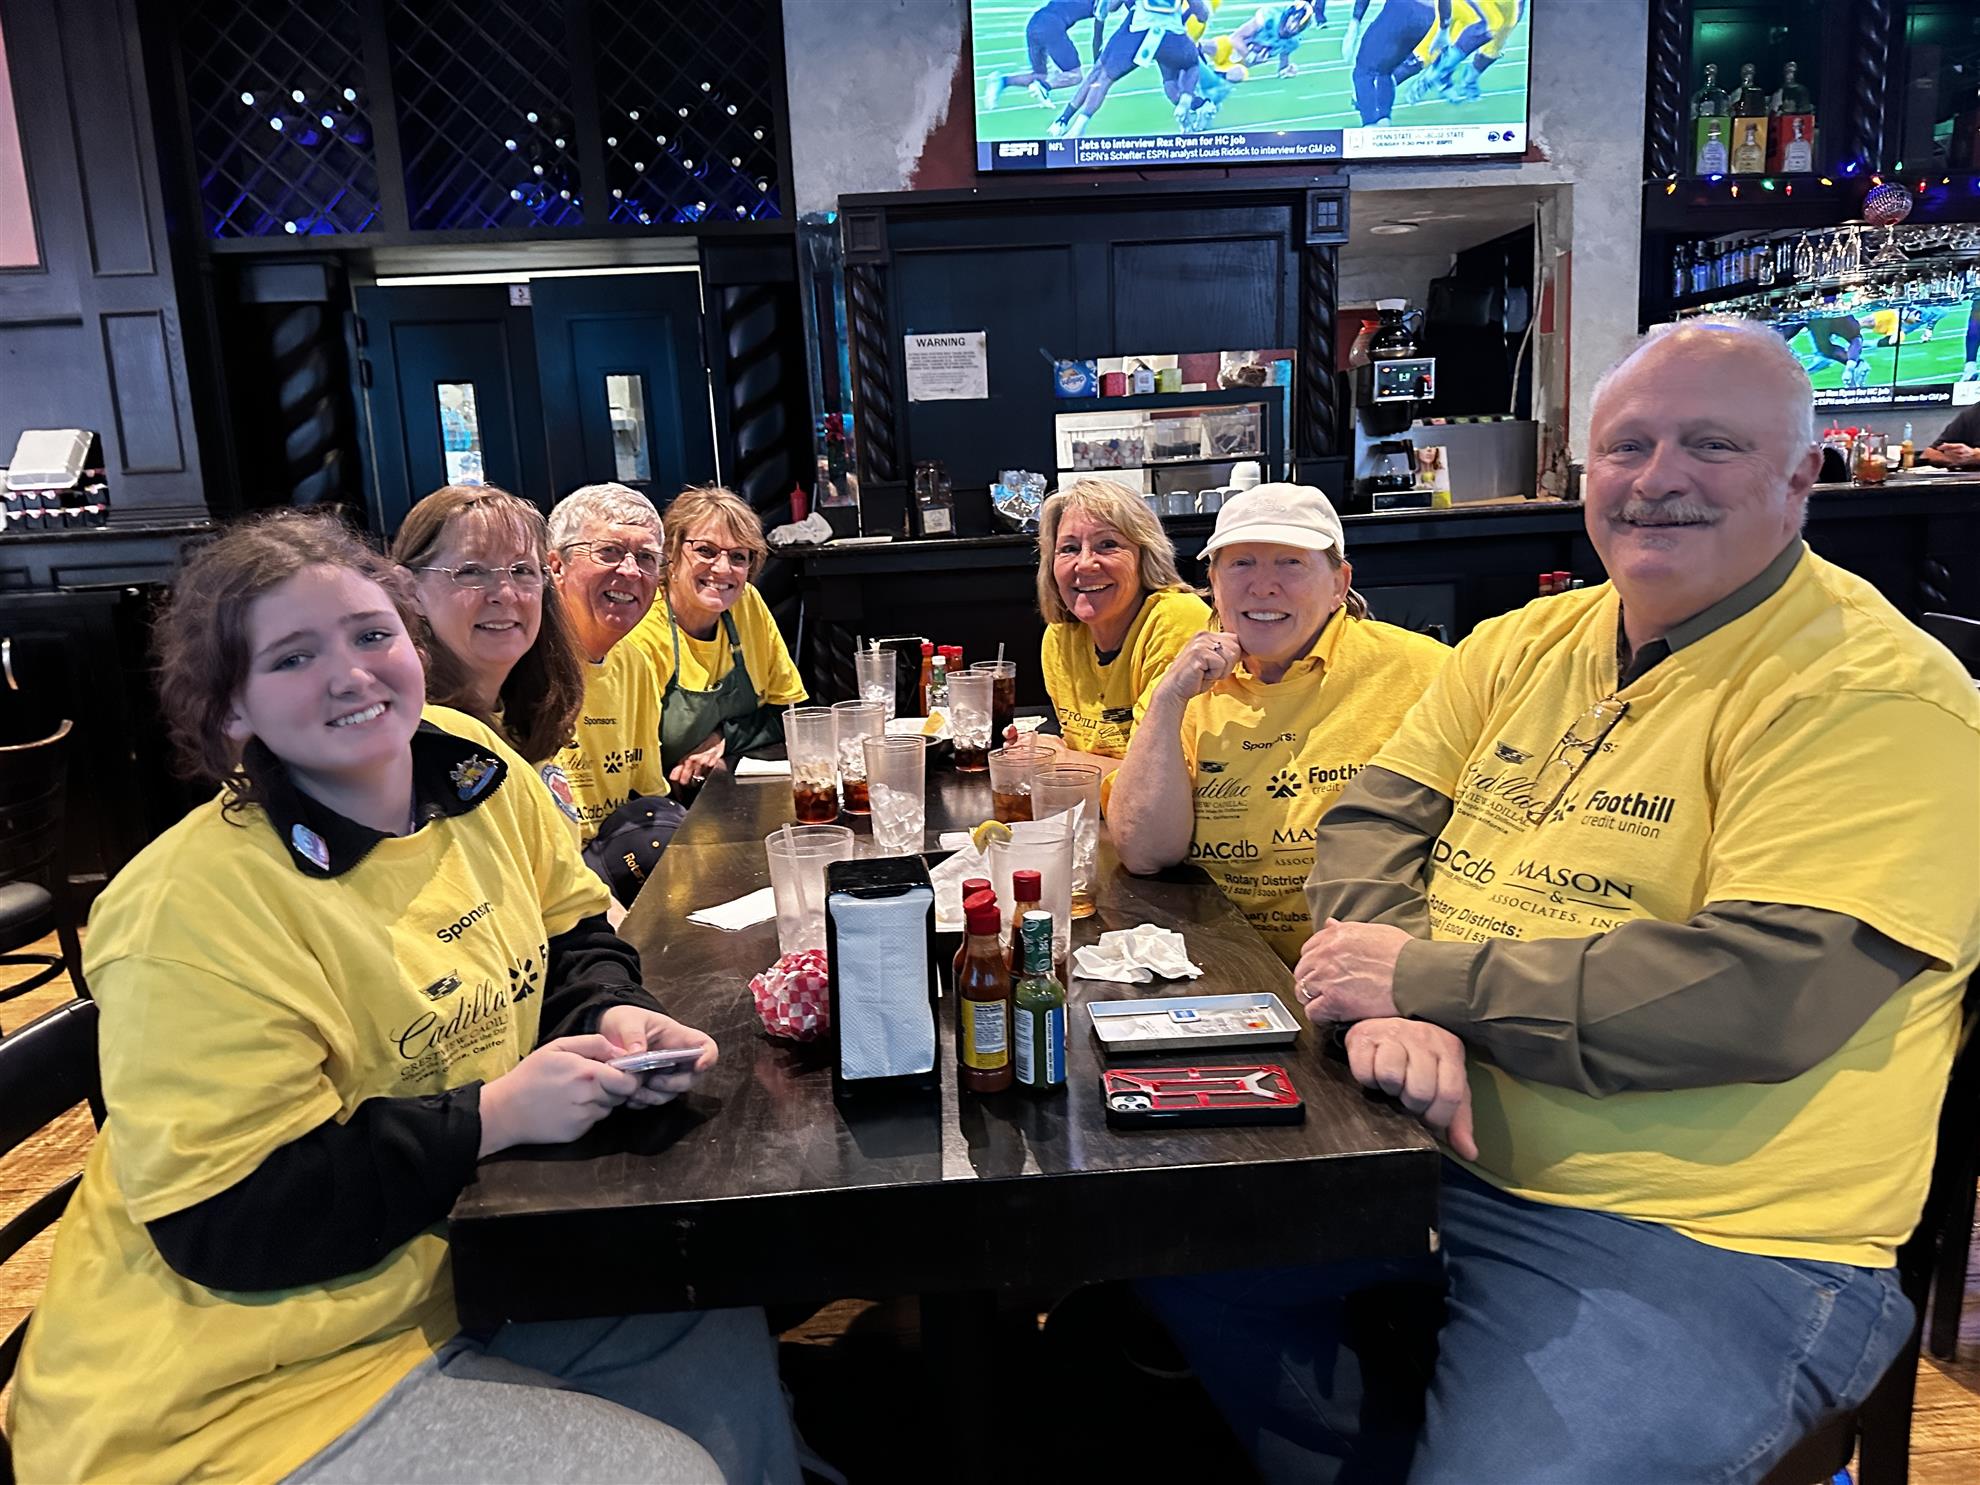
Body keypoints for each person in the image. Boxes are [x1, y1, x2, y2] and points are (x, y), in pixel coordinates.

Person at [1153, 320, 1980, 1484]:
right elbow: (1374, 821)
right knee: (1154, 1248)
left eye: (1713, 445)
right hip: (1416, 1143)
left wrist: (1419, 981)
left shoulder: (1877, 696)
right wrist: (1391, 1011)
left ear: (1802, 478)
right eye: (1627, 446)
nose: (1658, 481)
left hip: (1703, 1234)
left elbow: (1763, 994)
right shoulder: (1528, 639)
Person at [4, 511, 801, 1484]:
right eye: (293, 657)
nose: (350, 674)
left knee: (708, 1312)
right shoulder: (189, 909)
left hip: (456, 1277)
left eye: (371, 634)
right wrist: (491, 1117)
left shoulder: (468, 762)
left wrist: (605, 1014)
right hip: (232, 1395)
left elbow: (572, 934)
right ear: (230, 714)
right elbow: (231, 1221)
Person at [1109, 483, 1446, 966]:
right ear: (1214, 583)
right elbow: (1145, 852)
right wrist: (1167, 701)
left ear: (1338, 584)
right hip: (1218, 967)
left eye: (1291, 562)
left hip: (1368, 975)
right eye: (1241, 563)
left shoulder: (1422, 671)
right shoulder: (1185, 688)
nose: (1263, 586)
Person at [392, 484, 586, 822]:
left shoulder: (522, 713)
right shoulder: (410, 740)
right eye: (471, 571)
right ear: (409, 590)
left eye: (522, 570)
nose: (505, 593)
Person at [627, 484, 807, 791]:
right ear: (671, 551)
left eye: (738, 556)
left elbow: (789, 717)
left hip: (728, 789)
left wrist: (723, 737)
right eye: (705, 550)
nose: (723, 569)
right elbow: (630, 757)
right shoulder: (642, 627)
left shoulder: (746, 603)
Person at [545, 483, 682, 855]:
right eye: (609, 551)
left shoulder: (635, 662)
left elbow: (650, 800)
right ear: (556, 565)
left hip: (605, 860)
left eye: (647, 558)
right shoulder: (523, 663)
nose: (630, 571)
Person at [1035, 477, 1209, 764]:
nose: (1085, 563)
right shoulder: (1060, 636)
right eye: (1068, 548)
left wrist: (1055, 760)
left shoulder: (1177, 619)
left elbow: (1157, 777)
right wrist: (1043, 742)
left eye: (1107, 544)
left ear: (1144, 556)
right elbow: (1075, 742)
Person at [983, 0, 1098, 109]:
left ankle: (1002, 81)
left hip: (1035, 22)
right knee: (1075, 76)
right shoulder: (1101, 3)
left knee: (1040, 75)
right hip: (1052, 25)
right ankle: (1044, 87)